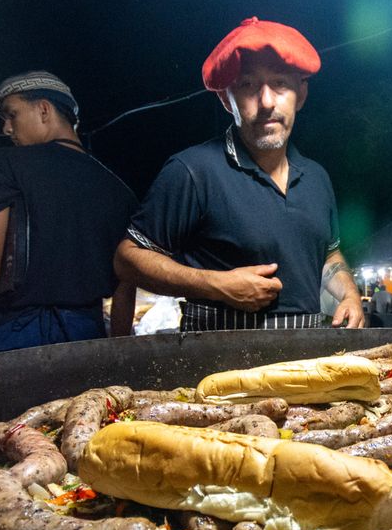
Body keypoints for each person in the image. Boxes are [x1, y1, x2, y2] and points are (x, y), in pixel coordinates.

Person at [114, 17, 364, 330]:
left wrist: (350, 295)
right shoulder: (193, 171)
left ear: (300, 94)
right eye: (247, 85)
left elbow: (329, 254)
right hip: (217, 361)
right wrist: (217, 285)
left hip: (306, 360)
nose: (266, 102)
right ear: (226, 98)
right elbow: (127, 258)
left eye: (280, 83)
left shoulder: (317, 178)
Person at [0, 71, 138, 359]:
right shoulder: (119, 191)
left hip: (19, 334)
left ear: (44, 109)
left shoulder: (4, 165)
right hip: (88, 335)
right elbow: (126, 282)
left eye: (12, 114)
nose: (7, 128)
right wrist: (117, 352)